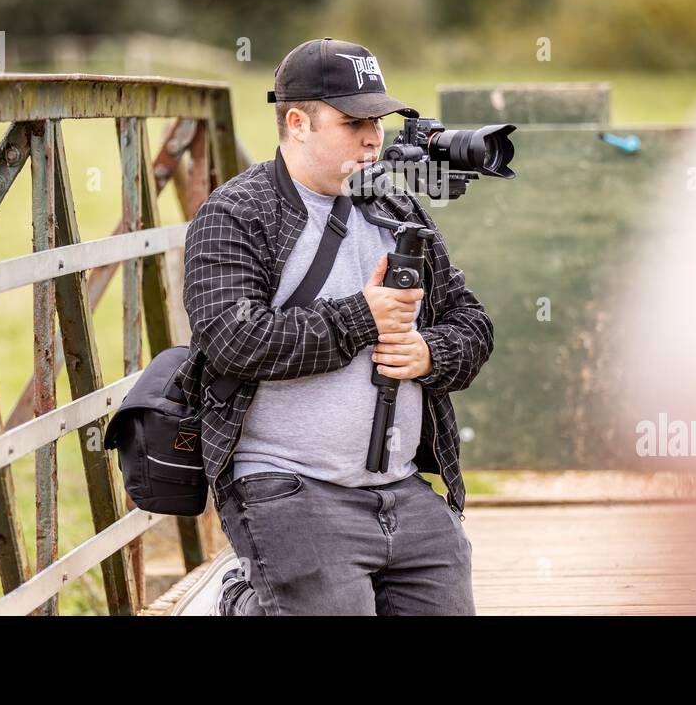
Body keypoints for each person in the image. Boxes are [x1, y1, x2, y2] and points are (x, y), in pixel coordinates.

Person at [181, 37, 493, 615]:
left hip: (401, 489)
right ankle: (246, 605)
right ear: (298, 123)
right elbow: (232, 341)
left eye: (377, 119)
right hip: (286, 486)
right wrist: (361, 317)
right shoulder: (235, 214)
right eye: (353, 122)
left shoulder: (398, 209)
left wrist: (430, 353)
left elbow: (472, 323)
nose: (373, 137)